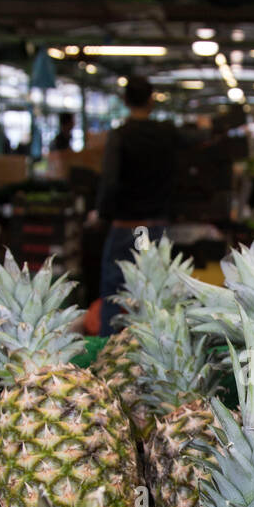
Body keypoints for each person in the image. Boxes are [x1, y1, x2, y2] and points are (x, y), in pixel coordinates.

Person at [92, 74, 179, 335]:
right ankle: (152, 340)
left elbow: (109, 181)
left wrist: (101, 214)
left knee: (113, 291)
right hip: (156, 229)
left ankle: (108, 350)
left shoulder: (120, 136)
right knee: (156, 292)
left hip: (126, 228)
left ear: (125, 100)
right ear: (152, 100)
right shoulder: (166, 134)